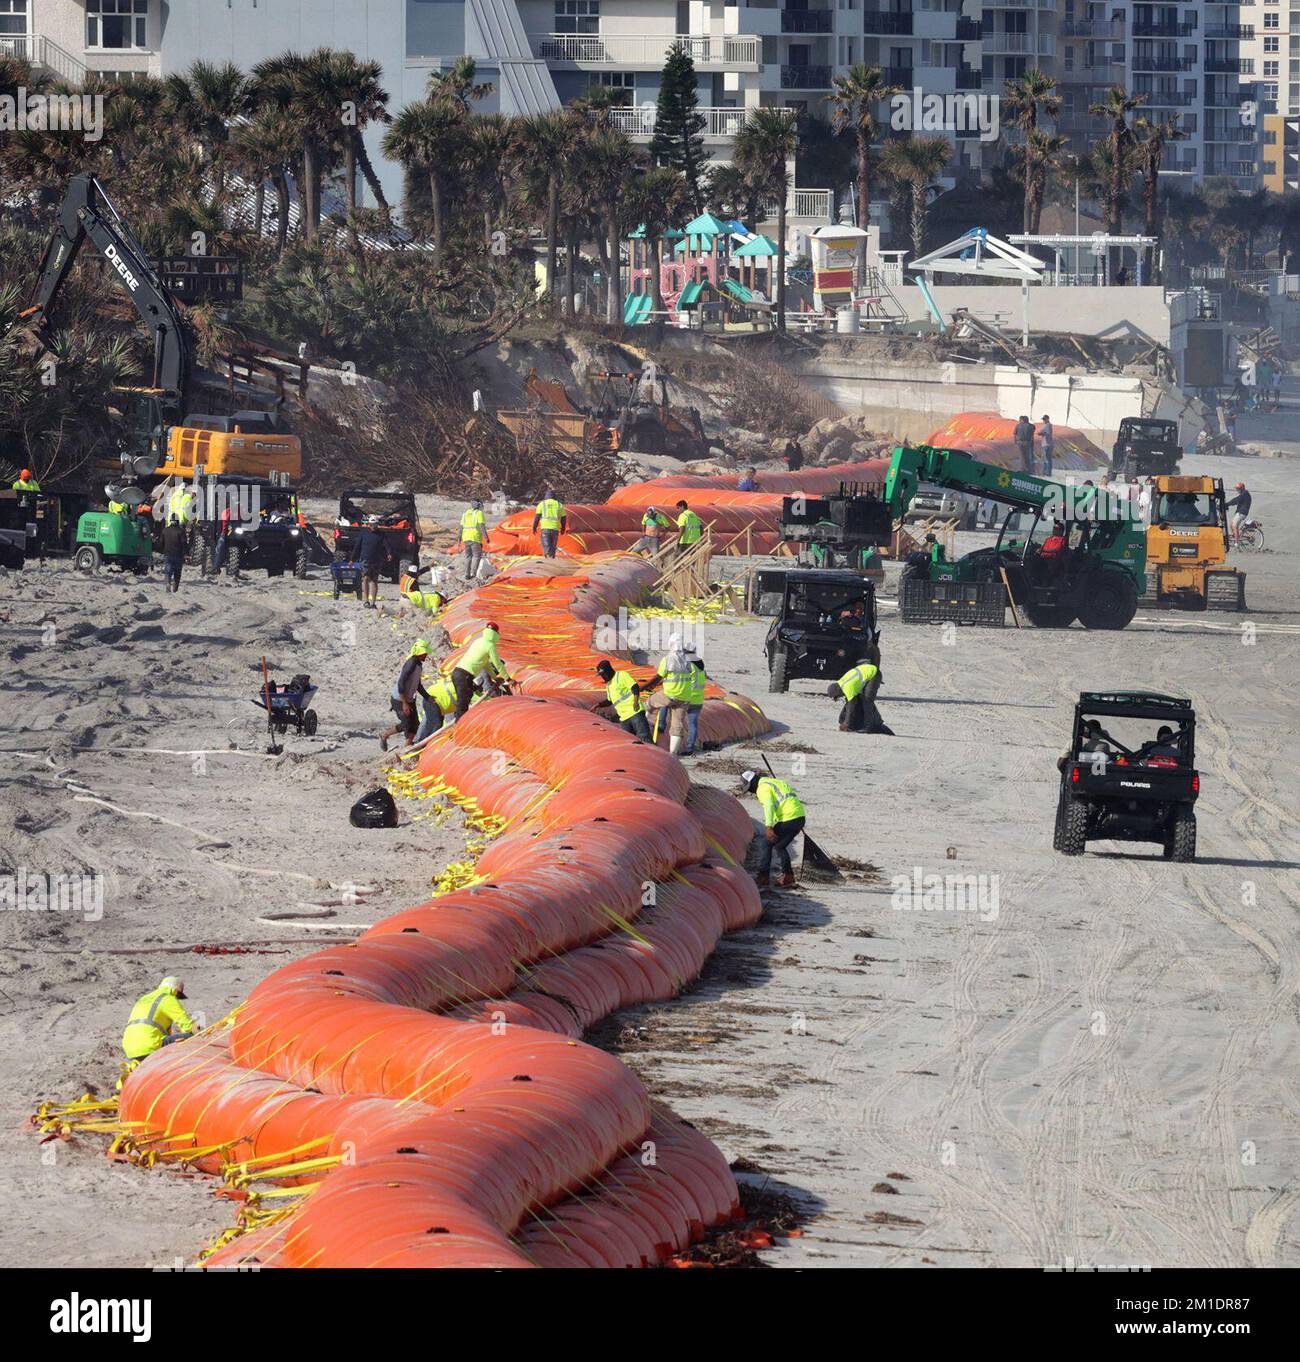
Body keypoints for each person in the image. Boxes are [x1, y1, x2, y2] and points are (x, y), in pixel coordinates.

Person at [121, 976, 196, 1079]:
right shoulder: (168, 999)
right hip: (149, 1046)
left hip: (130, 1048)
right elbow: (188, 1026)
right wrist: (203, 1031)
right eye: (178, 995)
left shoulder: (144, 998)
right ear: (176, 990)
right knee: (192, 1036)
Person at [742, 769, 806, 889]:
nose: (751, 792)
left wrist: (769, 826)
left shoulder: (762, 788)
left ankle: (763, 877)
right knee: (779, 846)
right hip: (799, 817)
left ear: (753, 783)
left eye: (750, 788)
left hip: (789, 818)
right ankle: (788, 876)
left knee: (768, 843)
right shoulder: (774, 782)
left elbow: (769, 806)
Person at [639, 632, 695, 755]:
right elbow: (675, 677)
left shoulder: (668, 659)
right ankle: (673, 754)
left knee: (649, 704)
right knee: (677, 724)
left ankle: (644, 734)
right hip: (684, 697)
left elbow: (658, 677)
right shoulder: (688, 660)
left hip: (670, 694)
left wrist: (643, 687)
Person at [381, 639, 434, 751]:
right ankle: (387, 736)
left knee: (415, 726)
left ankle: (406, 749)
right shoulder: (411, 663)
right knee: (407, 725)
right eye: (424, 653)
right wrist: (404, 703)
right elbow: (401, 683)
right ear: (419, 653)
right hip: (399, 699)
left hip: (409, 699)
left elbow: (417, 684)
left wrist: (427, 697)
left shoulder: (419, 665)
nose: (426, 655)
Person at [451, 621, 509, 717]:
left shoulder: (478, 641)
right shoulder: (490, 645)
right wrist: (508, 679)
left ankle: (459, 722)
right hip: (465, 676)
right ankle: (459, 726)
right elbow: (498, 664)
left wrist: (495, 678)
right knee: (462, 707)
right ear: (496, 634)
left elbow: (486, 665)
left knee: (465, 699)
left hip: (457, 673)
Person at [829, 660, 893, 735]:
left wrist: (846, 724)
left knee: (867, 700)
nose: (840, 697)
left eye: (837, 696)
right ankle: (869, 722)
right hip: (866, 672)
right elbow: (849, 703)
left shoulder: (848, 688)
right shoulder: (841, 682)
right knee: (861, 699)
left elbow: (851, 707)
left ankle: (868, 726)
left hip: (874, 673)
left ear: (837, 692)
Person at [595, 659, 651, 740]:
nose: (603, 677)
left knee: (644, 738)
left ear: (608, 671)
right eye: (601, 675)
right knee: (629, 741)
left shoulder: (621, 675)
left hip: (635, 713)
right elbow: (610, 701)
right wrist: (598, 705)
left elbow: (635, 688)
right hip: (624, 718)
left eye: (603, 674)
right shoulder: (609, 685)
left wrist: (636, 703)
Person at [413, 671, 459, 744]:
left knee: (434, 724)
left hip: (435, 700)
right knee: (436, 725)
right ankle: (423, 745)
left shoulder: (457, 677)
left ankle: (419, 743)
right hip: (434, 700)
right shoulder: (463, 688)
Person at [356, 514, 390, 609]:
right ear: (368, 525)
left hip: (377, 560)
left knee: (374, 581)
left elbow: (387, 545)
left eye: (375, 524)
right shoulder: (364, 534)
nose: (373, 526)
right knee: (366, 578)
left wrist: (389, 553)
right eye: (371, 524)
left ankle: (373, 602)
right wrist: (351, 559)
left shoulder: (381, 535)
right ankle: (366, 601)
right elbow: (357, 546)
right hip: (365, 559)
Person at [683, 646, 707, 755]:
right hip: (698, 699)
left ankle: (661, 724)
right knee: (693, 724)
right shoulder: (700, 665)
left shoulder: (688, 665)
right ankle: (689, 748)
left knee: (676, 719)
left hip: (687, 697)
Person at [533, 490, 567, 558]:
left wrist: (534, 527)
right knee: (553, 547)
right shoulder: (559, 504)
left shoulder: (542, 504)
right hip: (555, 528)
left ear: (546, 497)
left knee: (546, 546)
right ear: (554, 497)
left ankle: (548, 561)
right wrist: (563, 528)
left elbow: (537, 517)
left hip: (545, 528)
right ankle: (552, 560)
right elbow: (563, 518)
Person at [460, 499, 487, 579]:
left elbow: (461, 527)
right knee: (476, 556)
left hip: (465, 538)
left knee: (468, 556)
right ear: (479, 505)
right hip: (475, 537)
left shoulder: (465, 513)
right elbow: (482, 526)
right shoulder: (479, 513)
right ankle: (473, 574)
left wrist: (459, 538)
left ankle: (466, 574)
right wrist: (486, 537)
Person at [160, 515, 187, 593]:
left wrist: (161, 550)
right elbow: (184, 543)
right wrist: (186, 553)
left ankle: (168, 582)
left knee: (168, 571)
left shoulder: (165, 530)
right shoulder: (181, 531)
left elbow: (161, 543)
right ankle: (175, 586)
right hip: (178, 555)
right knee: (177, 572)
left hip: (168, 554)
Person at [1226, 482, 1251, 546]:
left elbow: (1236, 500)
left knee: (1234, 526)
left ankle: (1237, 542)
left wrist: (1227, 504)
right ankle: (1236, 537)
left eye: (1238, 488)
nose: (1237, 490)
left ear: (1242, 488)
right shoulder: (1244, 494)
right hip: (1240, 512)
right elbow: (1236, 500)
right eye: (1236, 488)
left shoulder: (1244, 494)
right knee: (1231, 525)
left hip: (1242, 512)